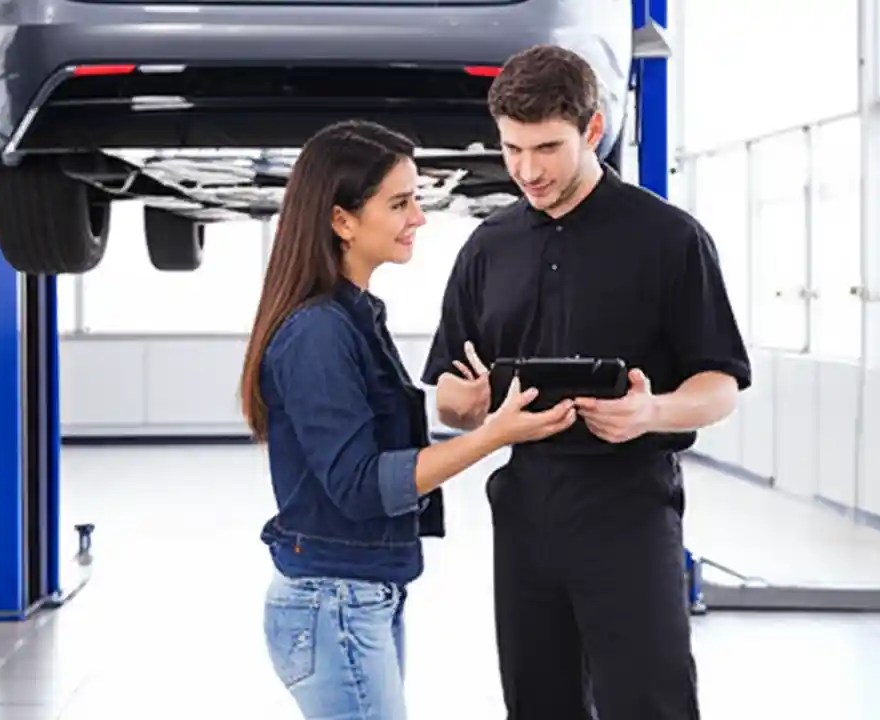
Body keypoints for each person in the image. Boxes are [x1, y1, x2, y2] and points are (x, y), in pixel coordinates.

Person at [420, 45, 753, 720]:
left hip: (628, 508)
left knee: (648, 701)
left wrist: (651, 410)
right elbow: (449, 397)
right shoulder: (489, 246)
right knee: (538, 703)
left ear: (593, 130)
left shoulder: (669, 238)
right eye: (512, 149)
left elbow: (721, 382)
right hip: (523, 511)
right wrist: (477, 405)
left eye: (547, 147)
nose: (527, 170)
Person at [238, 119, 578, 720]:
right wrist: (495, 435)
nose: (418, 217)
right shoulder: (319, 332)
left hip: (357, 595)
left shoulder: (355, 317)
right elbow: (362, 485)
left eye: (415, 199)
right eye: (399, 203)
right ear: (342, 220)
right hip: (334, 602)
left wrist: (478, 415)